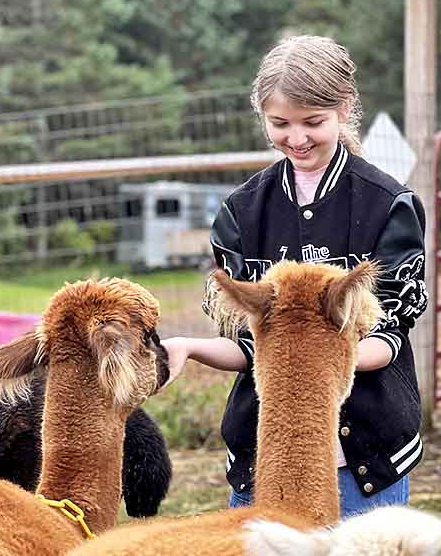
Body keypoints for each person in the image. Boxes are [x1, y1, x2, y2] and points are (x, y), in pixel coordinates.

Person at [163, 34, 427, 518]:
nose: (297, 138)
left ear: (345, 108)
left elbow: (389, 335)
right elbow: (249, 345)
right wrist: (189, 346)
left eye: (313, 122)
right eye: (280, 123)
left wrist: (313, 361)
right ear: (261, 115)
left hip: (362, 460)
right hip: (267, 459)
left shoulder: (388, 205)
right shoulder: (242, 212)